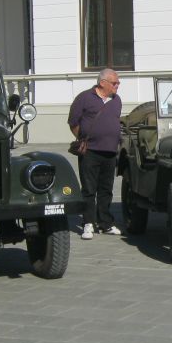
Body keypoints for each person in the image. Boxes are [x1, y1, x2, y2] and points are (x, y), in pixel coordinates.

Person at [68, 68, 123, 239]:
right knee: (89, 189)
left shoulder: (116, 100)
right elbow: (73, 122)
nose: (117, 86)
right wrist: (83, 138)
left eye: (118, 83)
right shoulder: (84, 97)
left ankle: (105, 223)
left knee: (106, 189)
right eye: (115, 83)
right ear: (102, 83)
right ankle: (88, 223)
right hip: (91, 151)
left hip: (110, 151)